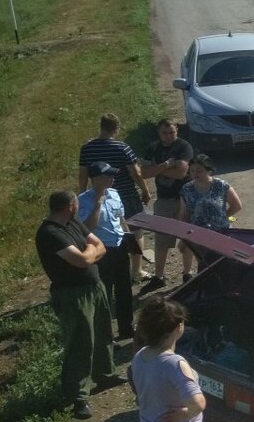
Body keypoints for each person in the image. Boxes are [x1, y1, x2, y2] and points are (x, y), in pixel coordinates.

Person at [34, 190, 123, 419]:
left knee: (103, 333)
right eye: (75, 204)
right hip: (73, 295)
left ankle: (106, 373)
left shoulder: (72, 223)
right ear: (71, 207)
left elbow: (99, 245)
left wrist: (89, 254)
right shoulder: (50, 233)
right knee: (81, 343)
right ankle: (78, 396)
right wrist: (90, 253)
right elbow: (82, 260)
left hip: (95, 288)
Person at [78, 112, 151, 280]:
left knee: (101, 231)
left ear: (101, 127)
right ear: (116, 129)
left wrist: (82, 194)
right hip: (126, 194)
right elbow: (136, 173)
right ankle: (136, 270)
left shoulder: (87, 148)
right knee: (135, 231)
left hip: (97, 195)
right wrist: (145, 190)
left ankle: (105, 267)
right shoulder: (122, 147)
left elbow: (83, 174)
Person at [77, 162, 135, 340]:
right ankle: (106, 334)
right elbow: (86, 227)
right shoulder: (83, 200)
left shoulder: (115, 194)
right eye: (107, 176)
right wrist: (98, 203)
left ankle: (126, 328)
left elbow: (121, 219)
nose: (112, 178)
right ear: (96, 179)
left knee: (124, 288)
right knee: (105, 293)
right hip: (102, 251)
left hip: (119, 247)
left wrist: (129, 237)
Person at [140, 119, 193, 293]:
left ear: (176, 130)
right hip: (163, 200)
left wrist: (157, 169)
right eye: (165, 133)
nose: (169, 136)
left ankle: (187, 273)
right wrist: (166, 165)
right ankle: (159, 277)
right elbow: (144, 173)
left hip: (184, 199)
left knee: (188, 238)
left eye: (172, 132)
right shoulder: (153, 148)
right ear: (158, 132)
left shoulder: (184, 147)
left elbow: (181, 173)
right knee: (161, 240)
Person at [178, 154, 243, 279]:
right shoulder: (186, 189)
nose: (195, 174)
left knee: (224, 265)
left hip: (221, 233)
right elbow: (184, 215)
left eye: (199, 171)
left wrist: (223, 217)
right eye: (192, 171)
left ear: (209, 170)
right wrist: (183, 238)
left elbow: (236, 205)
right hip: (198, 235)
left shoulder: (221, 185)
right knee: (205, 266)